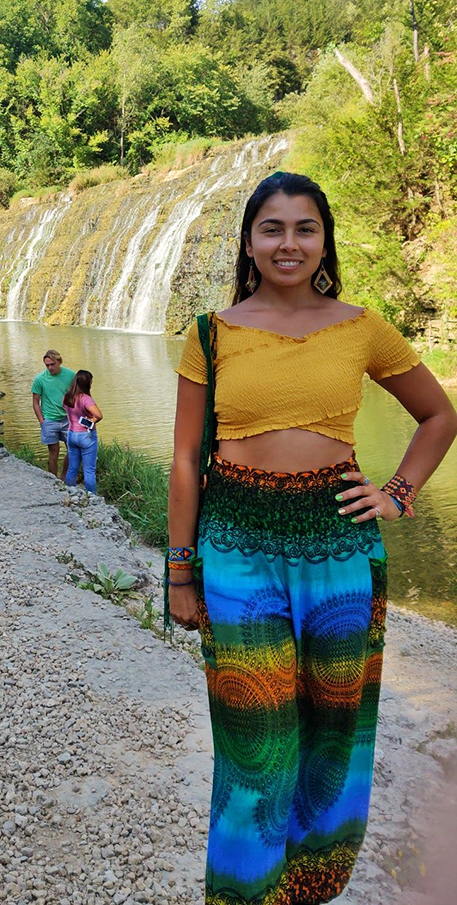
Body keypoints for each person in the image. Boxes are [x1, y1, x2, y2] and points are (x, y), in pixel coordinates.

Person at [168, 171, 457, 905]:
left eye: (305, 228)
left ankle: (309, 890)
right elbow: (182, 460)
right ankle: (244, 893)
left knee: (333, 734)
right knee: (255, 743)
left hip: (338, 547)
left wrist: (396, 493)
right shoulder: (211, 332)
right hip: (236, 544)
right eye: (273, 228)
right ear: (249, 241)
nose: (289, 242)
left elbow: (439, 415)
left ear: (324, 239)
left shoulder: (362, 326)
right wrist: (179, 571)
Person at [31, 350, 75, 478]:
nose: (50, 368)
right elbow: (35, 402)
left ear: (59, 362)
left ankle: (64, 478)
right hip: (49, 420)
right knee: (53, 452)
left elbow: (78, 396)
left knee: (72, 450)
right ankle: (53, 481)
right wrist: (42, 421)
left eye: (52, 364)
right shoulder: (40, 379)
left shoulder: (71, 375)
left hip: (68, 419)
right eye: (47, 365)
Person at [63, 370, 103, 494]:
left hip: (71, 434)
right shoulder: (86, 399)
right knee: (89, 470)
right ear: (87, 383)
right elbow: (99, 415)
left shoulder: (67, 396)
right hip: (86, 436)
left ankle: (70, 492)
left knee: (72, 468)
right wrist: (92, 419)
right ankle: (92, 497)